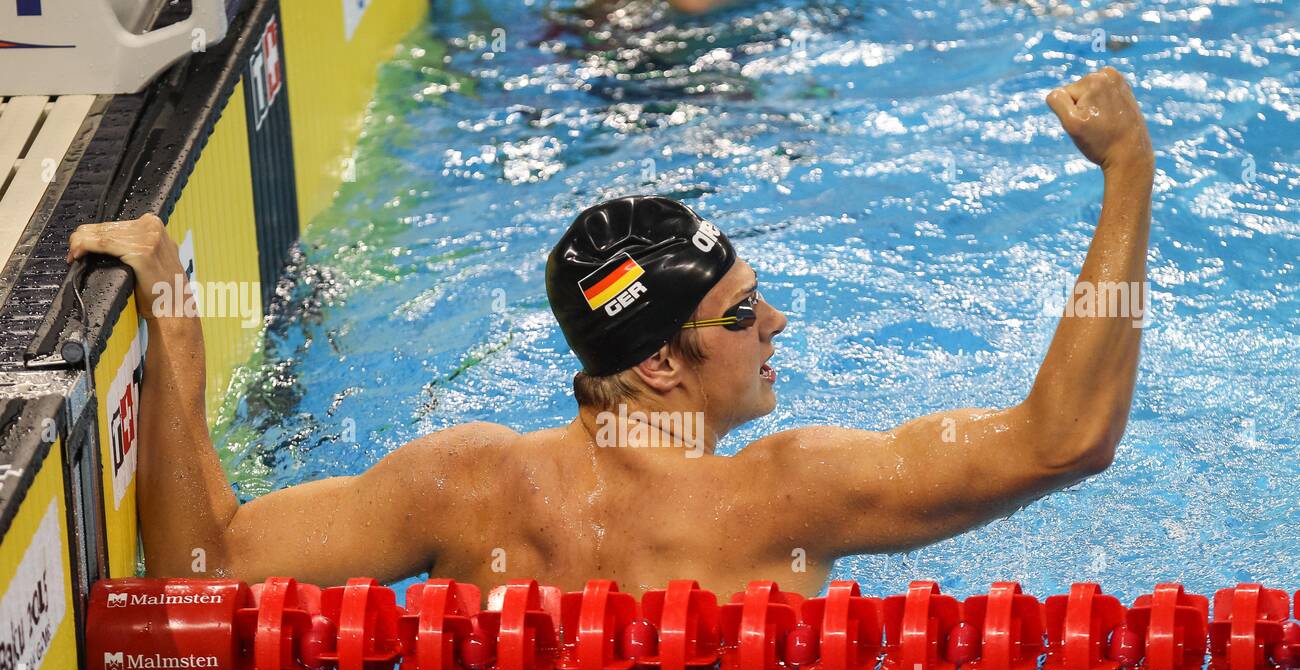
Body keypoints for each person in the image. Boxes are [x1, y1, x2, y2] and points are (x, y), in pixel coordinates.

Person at [68, 67, 1153, 598]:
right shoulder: (781, 497)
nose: (776, 322)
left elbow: (201, 563)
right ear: (658, 362)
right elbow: (1065, 440)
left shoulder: (461, 481)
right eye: (742, 312)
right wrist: (1127, 173)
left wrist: (177, 326)